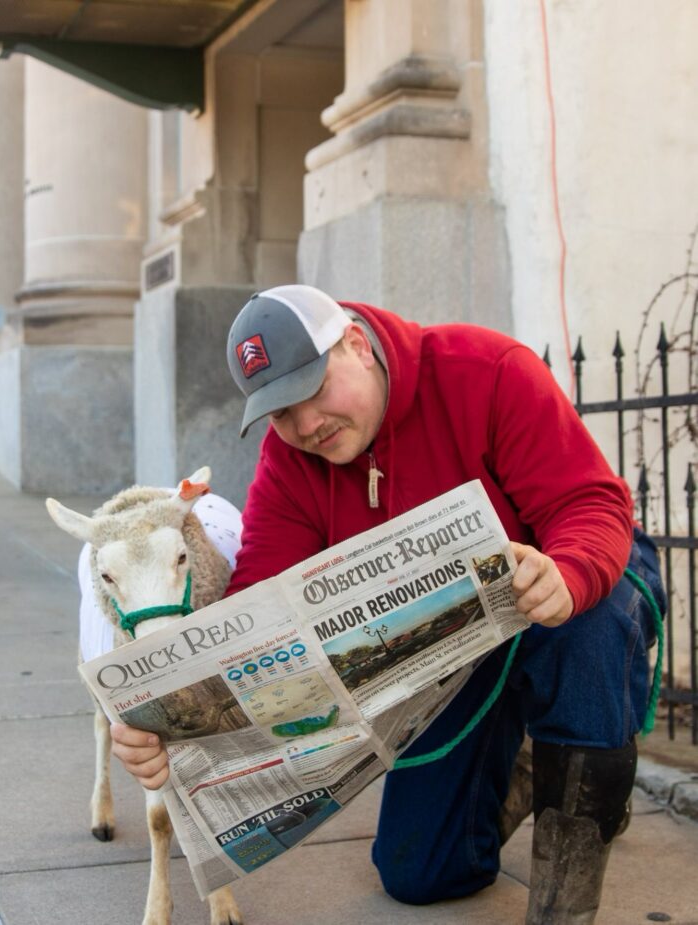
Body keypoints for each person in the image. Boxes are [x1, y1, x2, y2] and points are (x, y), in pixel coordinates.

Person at [110, 284, 665, 923]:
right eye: (281, 412)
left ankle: (576, 849)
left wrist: (568, 573)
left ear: (356, 344)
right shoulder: (291, 461)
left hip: (558, 588)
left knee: (591, 626)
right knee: (419, 872)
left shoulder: (487, 370)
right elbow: (258, 599)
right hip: (458, 644)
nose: (306, 426)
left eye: (314, 390)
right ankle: (531, 769)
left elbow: (587, 502)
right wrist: (170, 715)